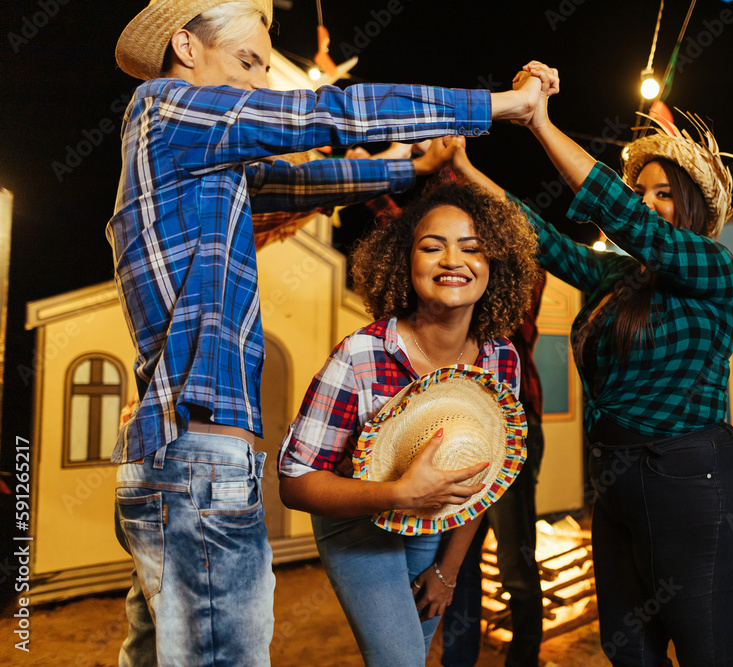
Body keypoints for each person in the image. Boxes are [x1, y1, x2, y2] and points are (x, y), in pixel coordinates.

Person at [107, 0, 543, 662]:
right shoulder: (169, 109)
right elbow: (328, 114)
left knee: (157, 652)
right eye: (248, 61)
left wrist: (407, 170)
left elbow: (301, 182)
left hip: (168, 457)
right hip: (196, 459)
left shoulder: (198, 161)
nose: (259, 82)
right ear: (186, 48)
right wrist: (499, 108)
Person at [449, 63, 733, 666]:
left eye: (663, 193)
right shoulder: (615, 278)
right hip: (616, 481)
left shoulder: (711, 267)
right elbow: (536, 234)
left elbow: (622, 217)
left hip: (691, 480)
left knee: (707, 653)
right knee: (629, 651)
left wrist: (538, 122)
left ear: (694, 207)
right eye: (641, 190)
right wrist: (465, 172)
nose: (646, 203)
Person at [276, 179, 541, 666]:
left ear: (494, 265)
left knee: (411, 656)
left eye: (472, 248)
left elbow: (485, 476)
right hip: (356, 519)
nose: (452, 260)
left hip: (432, 522)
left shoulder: (500, 356)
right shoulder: (362, 355)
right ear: (405, 262)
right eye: (431, 247)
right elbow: (295, 482)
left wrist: (449, 570)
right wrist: (400, 494)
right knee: (399, 659)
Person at [441, 272, 546, 667]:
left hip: (513, 430)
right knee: (457, 561)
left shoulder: (517, 280)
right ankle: (458, 660)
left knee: (515, 562)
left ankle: (523, 661)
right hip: (459, 431)